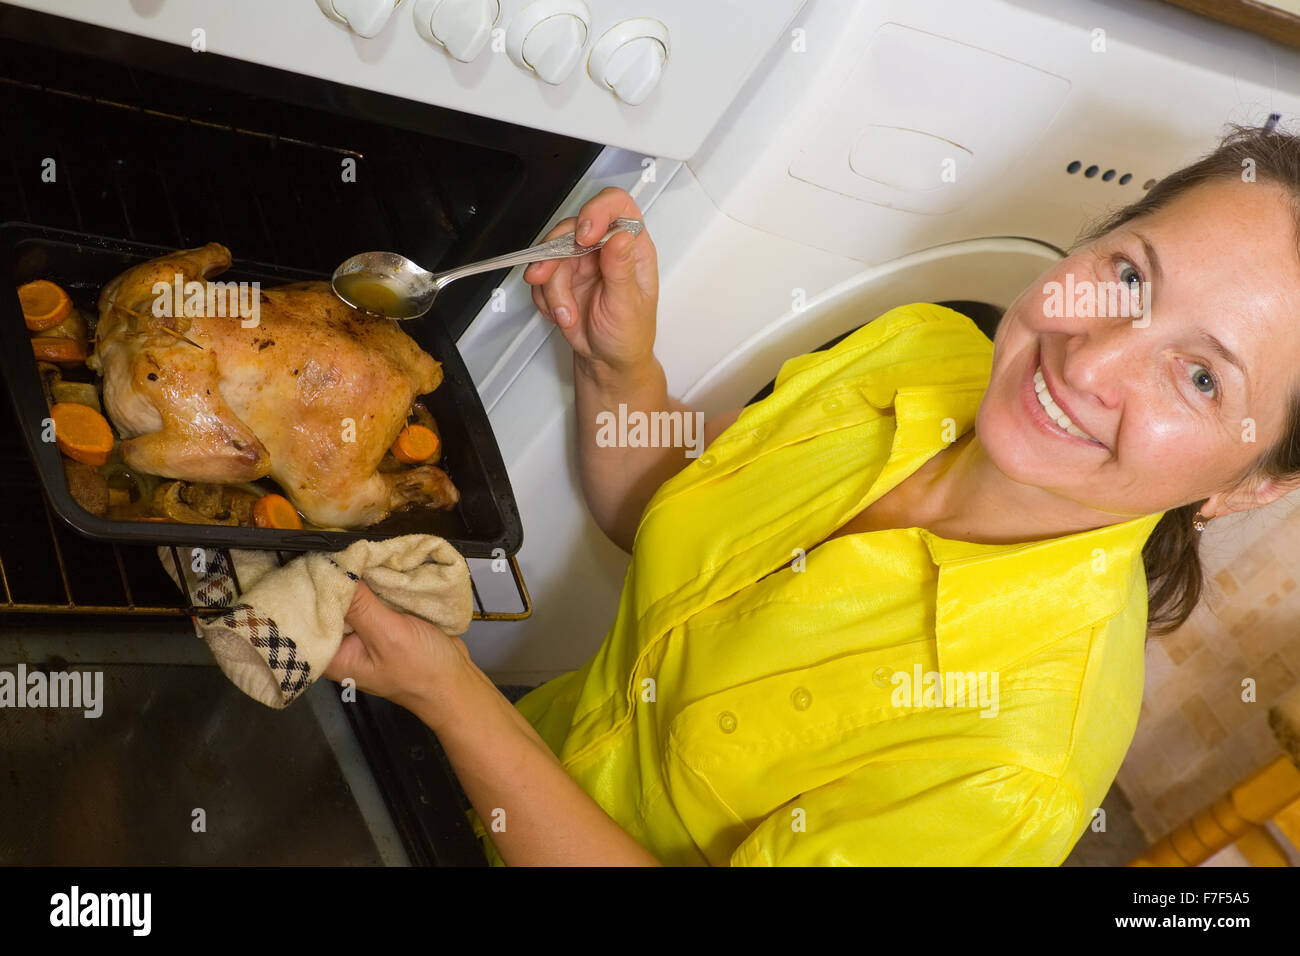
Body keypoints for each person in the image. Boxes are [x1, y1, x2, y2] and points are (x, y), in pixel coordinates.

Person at [325, 124, 1300, 866]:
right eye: (1128, 275)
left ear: (1254, 485)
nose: (1094, 358)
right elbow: (674, 521)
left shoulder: (1015, 770)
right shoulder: (929, 346)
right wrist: (617, 371)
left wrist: (450, 697)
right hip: (471, 770)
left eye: (1202, 377)